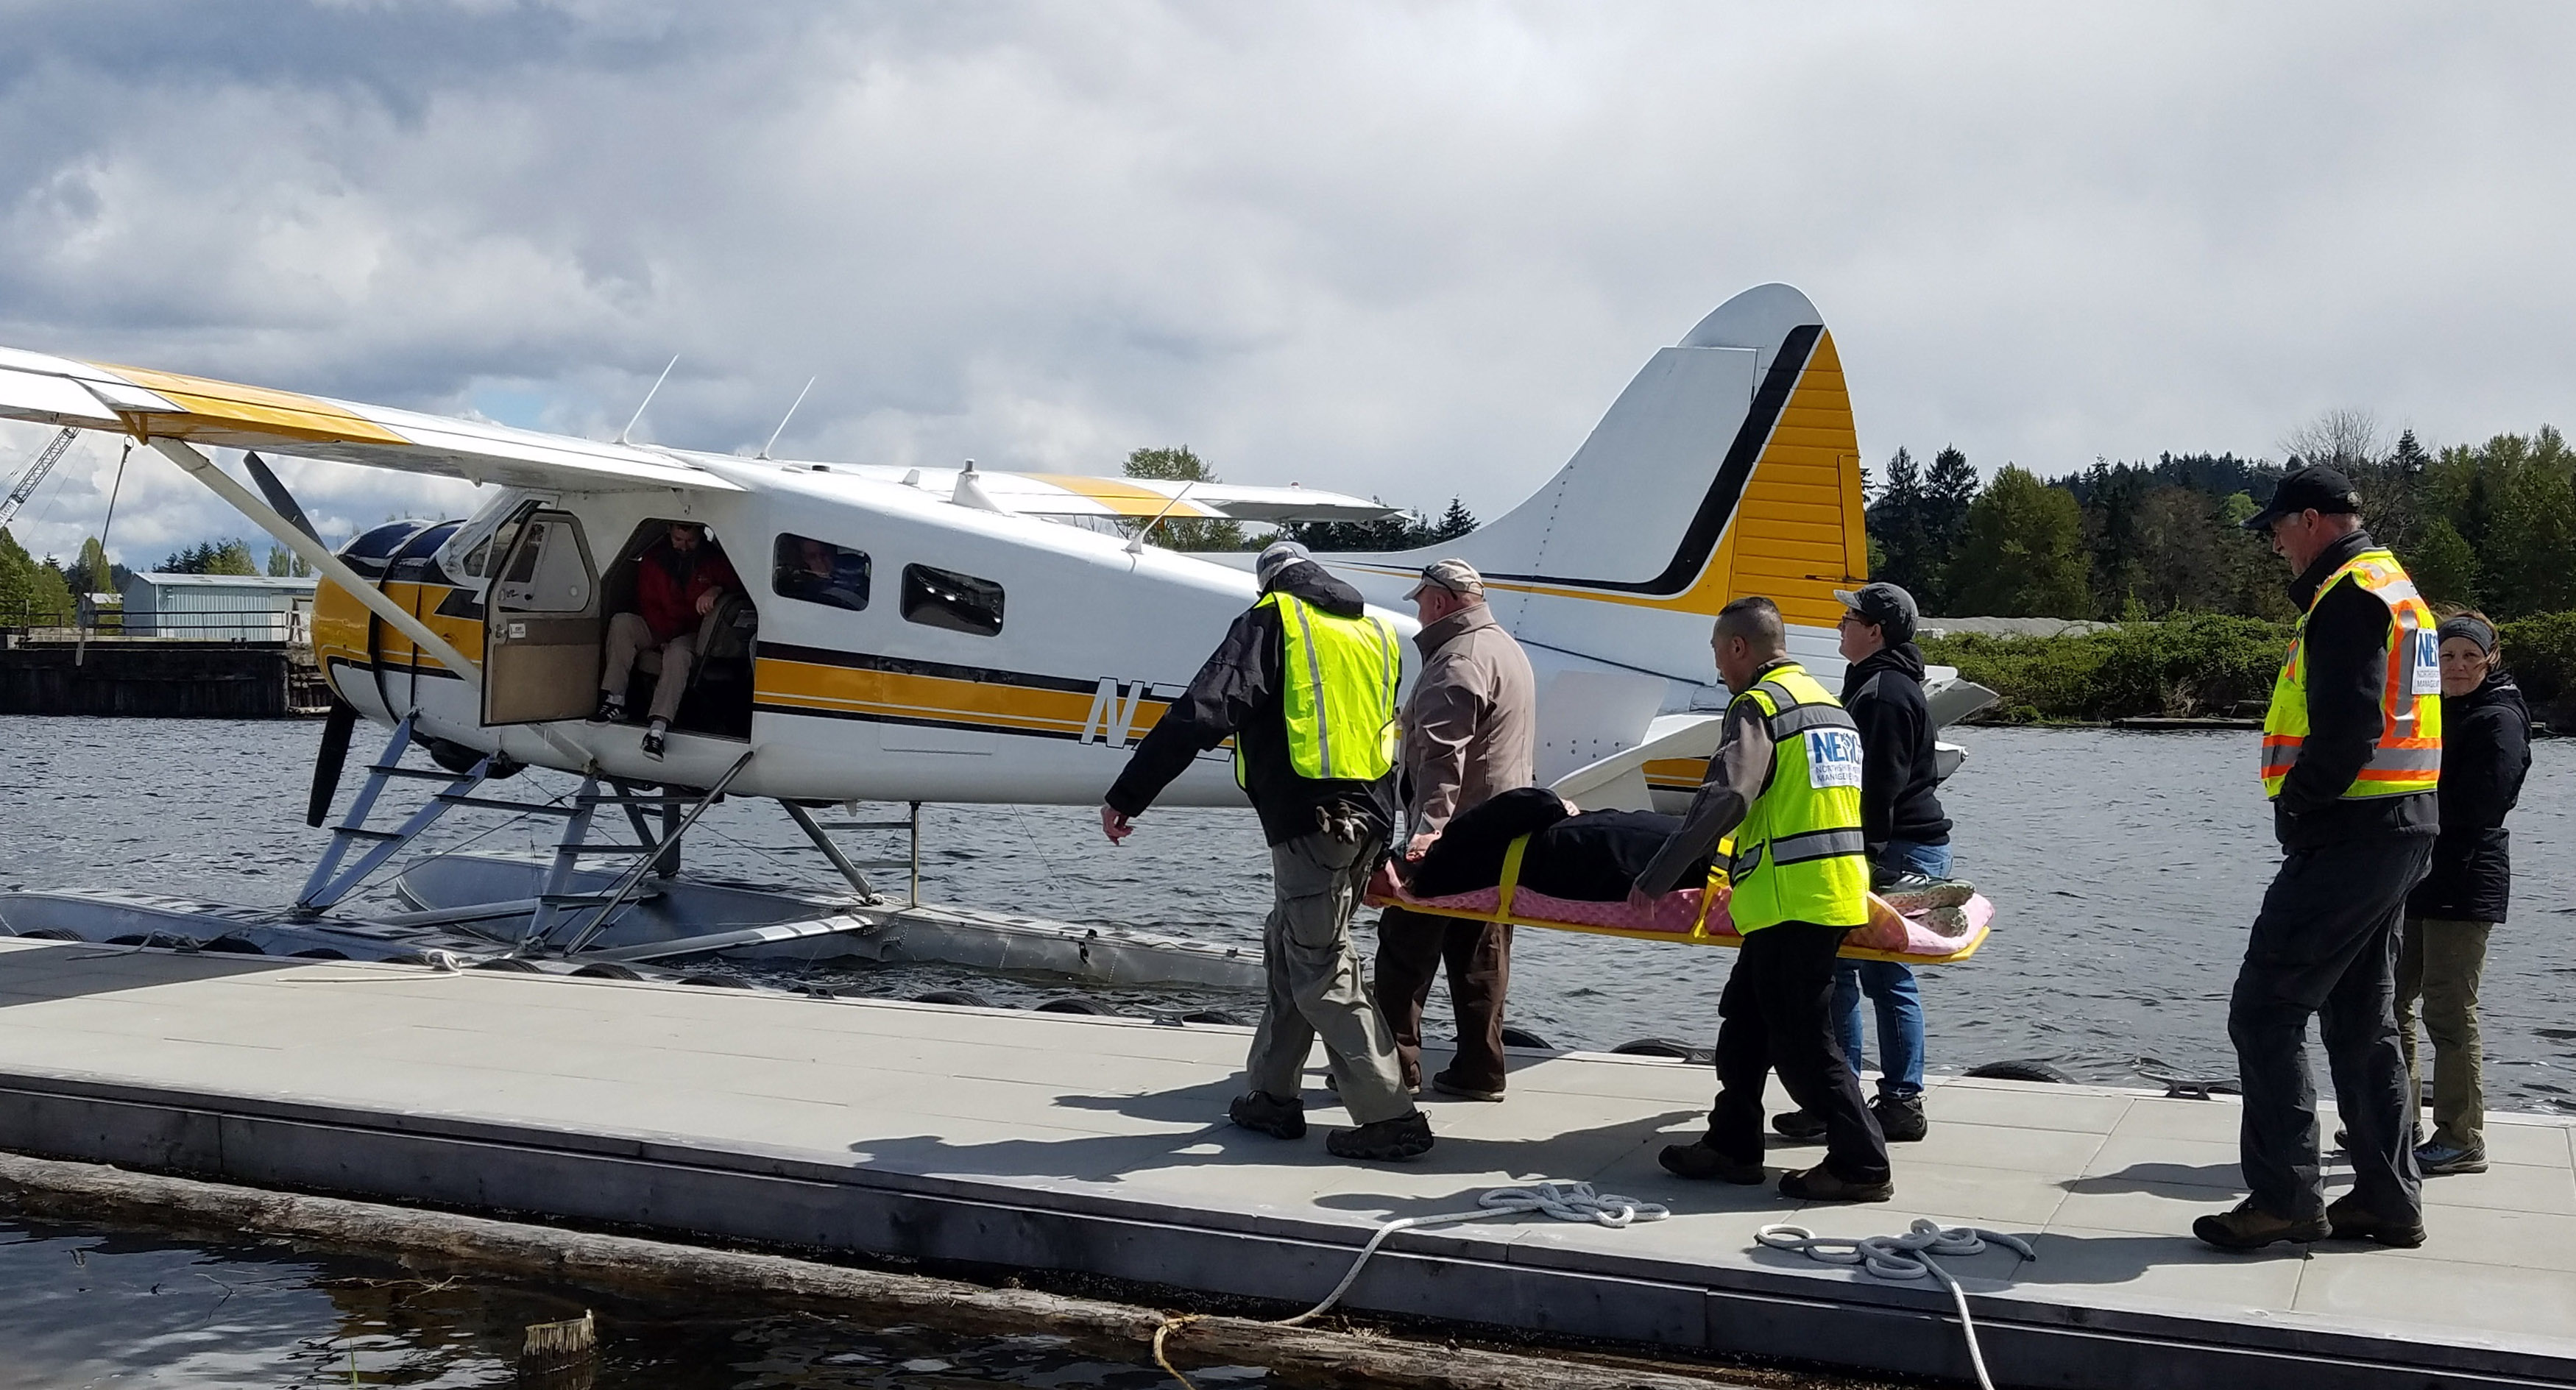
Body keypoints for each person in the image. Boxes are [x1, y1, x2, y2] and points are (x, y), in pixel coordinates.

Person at [1099, 540, 1433, 1161]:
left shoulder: (1274, 618)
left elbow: (1204, 710)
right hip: (1366, 821)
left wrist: (1129, 793)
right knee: (1289, 946)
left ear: (1268, 582)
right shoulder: (1374, 633)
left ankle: (1392, 1117)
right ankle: (1272, 1096)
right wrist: (1399, 833)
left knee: (1321, 969)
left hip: (1312, 822)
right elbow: (1393, 738)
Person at [2195, 465, 2441, 1252]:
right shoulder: (2394, 587)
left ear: (2312, 520)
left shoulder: (2347, 597)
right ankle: (2384, 1199)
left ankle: (2283, 1198)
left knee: (2263, 1010)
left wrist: (2297, 799)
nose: (2272, 543)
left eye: (2275, 527)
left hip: (2350, 830)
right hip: (2400, 826)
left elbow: (2347, 728)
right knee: (2358, 1017)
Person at [1632, 596, 1892, 1202]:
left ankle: (1862, 1163)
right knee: (1745, 1023)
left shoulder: (1760, 706)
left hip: (1789, 900)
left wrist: (1659, 874)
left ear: (1740, 647)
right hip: (1827, 892)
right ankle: (1732, 1143)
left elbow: (1729, 796)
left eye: (1720, 654)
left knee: (1805, 1041)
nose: (1720, 669)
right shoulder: (1830, 705)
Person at [1774, 581, 1951, 1145]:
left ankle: (1900, 1100)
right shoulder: (1876, 683)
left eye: (1849, 617)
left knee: (1883, 972)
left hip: (1897, 848)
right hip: (1890, 844)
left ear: (1875, 631)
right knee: (1844, 970)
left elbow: (1879, 786)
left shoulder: (1884, 692)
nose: (1839, 626)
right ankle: (1839, 1095)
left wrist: (1862, 858)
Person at [1373, 559, 1538, 1102]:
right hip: (1501, 836)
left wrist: (1425, 834)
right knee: (1482, 954)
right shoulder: (1507, 649)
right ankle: (1481, 1069)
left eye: (1421, 601)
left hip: (1454, 836)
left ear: (1441, 602)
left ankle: (1392, 1069)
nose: (1417, 612)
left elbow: (1445, 757)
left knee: (1403, 947)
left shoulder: (1456, 658)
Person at [2397, 609, 2531, 1177]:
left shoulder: (2499, 719)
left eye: (2468, 657)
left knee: (2449, 1012)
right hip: (2416, 874)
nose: (2456, 667)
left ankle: (2461, 1136)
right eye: (2447, 656)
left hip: (2467, 877)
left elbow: (2484, 804)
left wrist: (2405, 809)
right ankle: (2393, 1119)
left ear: (2489, 658)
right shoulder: (2434, 711)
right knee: (2389, 999)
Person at [597, 521, 742, 759]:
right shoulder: (653, 560)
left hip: (693, 633)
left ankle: (658, 728)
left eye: (690, 541)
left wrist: (716, 589)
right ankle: (615, 698)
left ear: (701, 536)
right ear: (669, 534)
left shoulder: (715, 562)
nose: (683, 546)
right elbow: (648, 603)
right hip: (659, 626)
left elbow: (737, 587)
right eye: (678, 540)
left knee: (677, 653)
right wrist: (662, 637)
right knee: (622, 622)